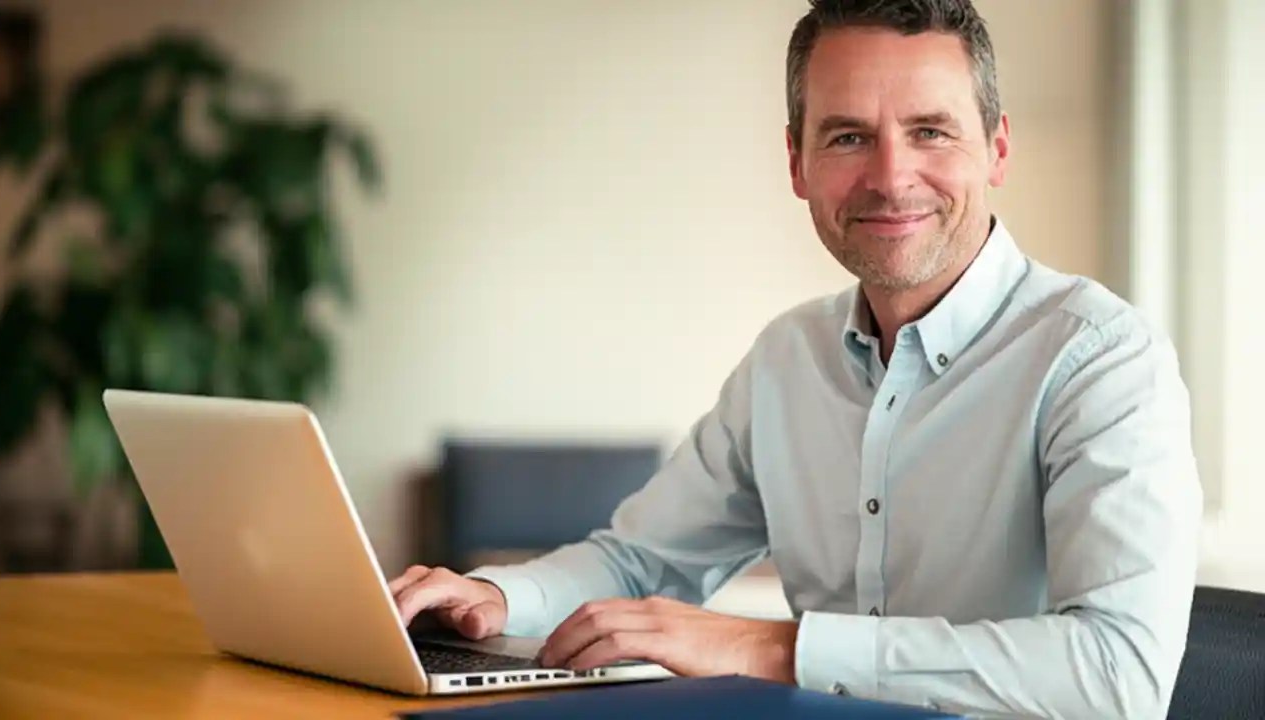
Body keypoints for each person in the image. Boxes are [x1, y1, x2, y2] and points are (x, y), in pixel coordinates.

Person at [388, 1, 1201, 717]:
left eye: (930, 131)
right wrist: (496, 598)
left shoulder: (1100, 360)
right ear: (797, 164)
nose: (890, 176)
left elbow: (1118, 676)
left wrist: (776, 648)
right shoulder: (787, 360)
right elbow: (643, 562)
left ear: (996, 149)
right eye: (849, 136)